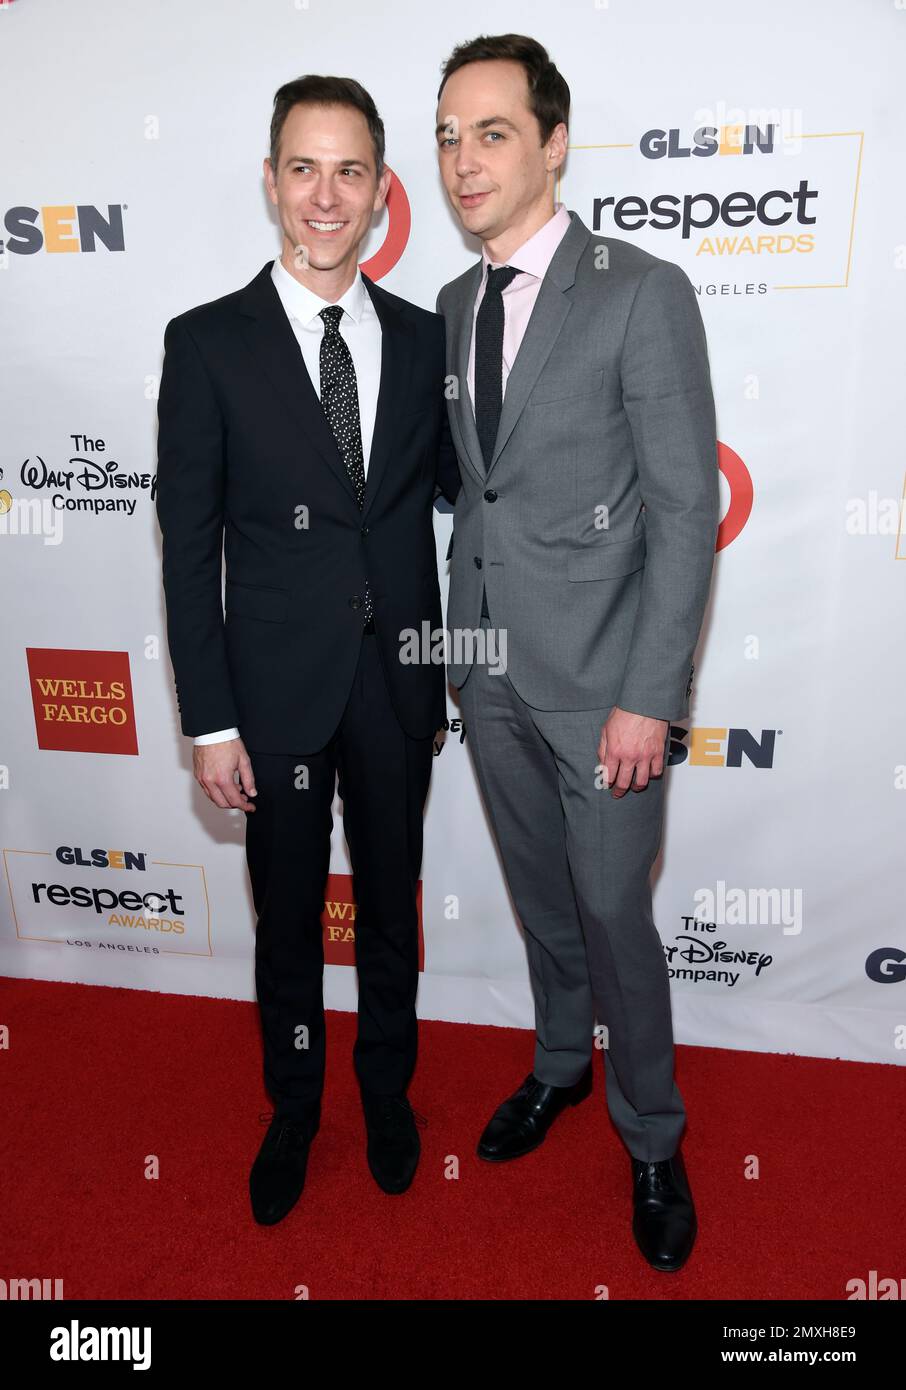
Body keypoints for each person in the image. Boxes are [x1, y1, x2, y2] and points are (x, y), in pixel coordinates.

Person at [434, 34, 719, 1271]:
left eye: (491, 132)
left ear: (554, 144)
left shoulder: (638, 288)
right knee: (546, 903)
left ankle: (652, 1134)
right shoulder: (453, 304)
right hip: (485, 668)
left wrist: (649, 698)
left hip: (605, 686)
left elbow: (684, 509)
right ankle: (558, 1065)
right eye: (447, 136)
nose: (462, 161)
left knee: (612, 911)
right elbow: (475, 495)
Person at [156, 75, 459, 1226]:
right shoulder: (206, 345)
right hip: (271, 701)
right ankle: (296, 1106)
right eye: (302, 167)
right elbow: (187, 549)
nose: (325, 196)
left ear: (383, 192)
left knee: (391, 905)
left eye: (349, 172)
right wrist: (209, 719)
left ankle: (388, 1093)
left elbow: (454, 505)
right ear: (270, 182)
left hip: (396, 690)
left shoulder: (428, 339)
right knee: (286, 923)